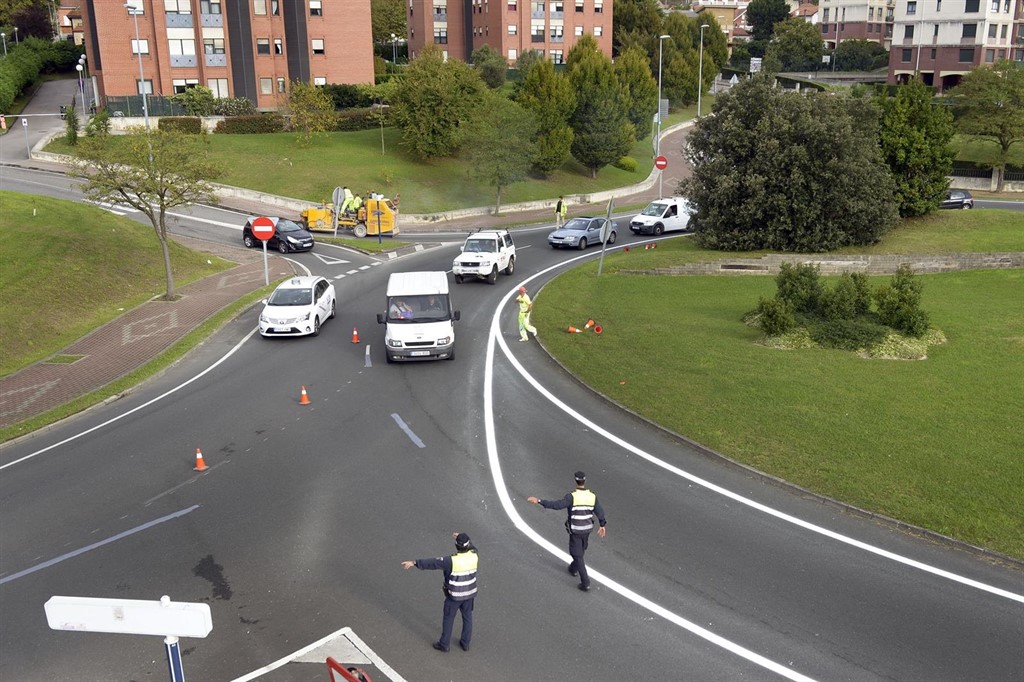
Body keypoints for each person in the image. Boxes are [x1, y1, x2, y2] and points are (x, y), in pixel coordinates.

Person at [528, 471, 607, 592]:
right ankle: (573, 568)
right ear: (585, 481)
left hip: (575, 530)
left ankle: (585, 582)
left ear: (575, 482)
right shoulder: (592, 496)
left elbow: (558, 505)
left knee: (576, 554)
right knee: (581, 549)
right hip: (587, 529)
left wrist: (539, 501)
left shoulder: (572, 496)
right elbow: (599, 511)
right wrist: (602, 524)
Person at [402, 532, 479, 652]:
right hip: (469, 594)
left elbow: (433, 563)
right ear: (468, 545)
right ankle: (465, 643)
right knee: (467, 617)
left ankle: (444, 644)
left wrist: (415, 563)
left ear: (456, 546)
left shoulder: (451, 561)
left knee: (449, 618)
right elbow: (473, 547)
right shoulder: (474, 555)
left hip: (454, 596)